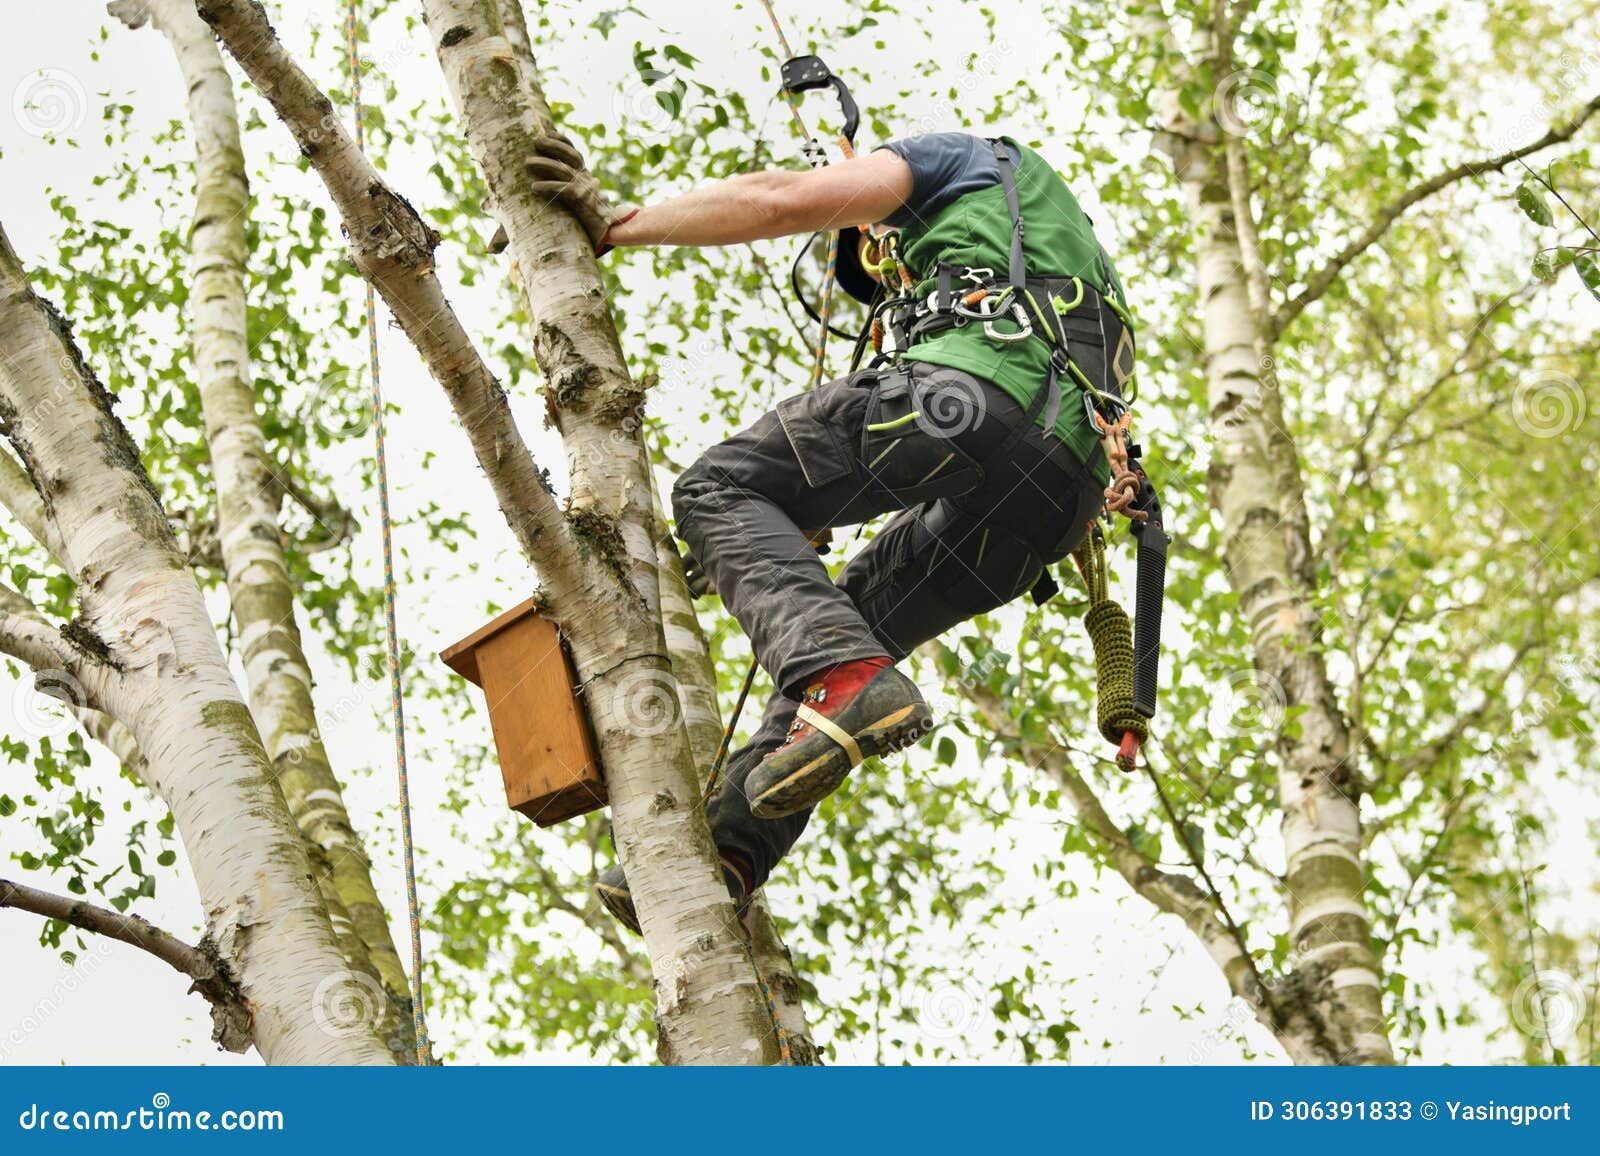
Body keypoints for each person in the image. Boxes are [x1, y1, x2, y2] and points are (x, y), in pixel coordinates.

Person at [515, 130, 1136, 933]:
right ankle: (733, 846)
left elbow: (779, 199)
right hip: (1057, 498)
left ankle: (842, 682)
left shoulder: (956, 159)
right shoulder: (1058, 243)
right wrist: (771, 536)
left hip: (975, 392)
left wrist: (618, 221)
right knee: (850, 631)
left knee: (717, 487)